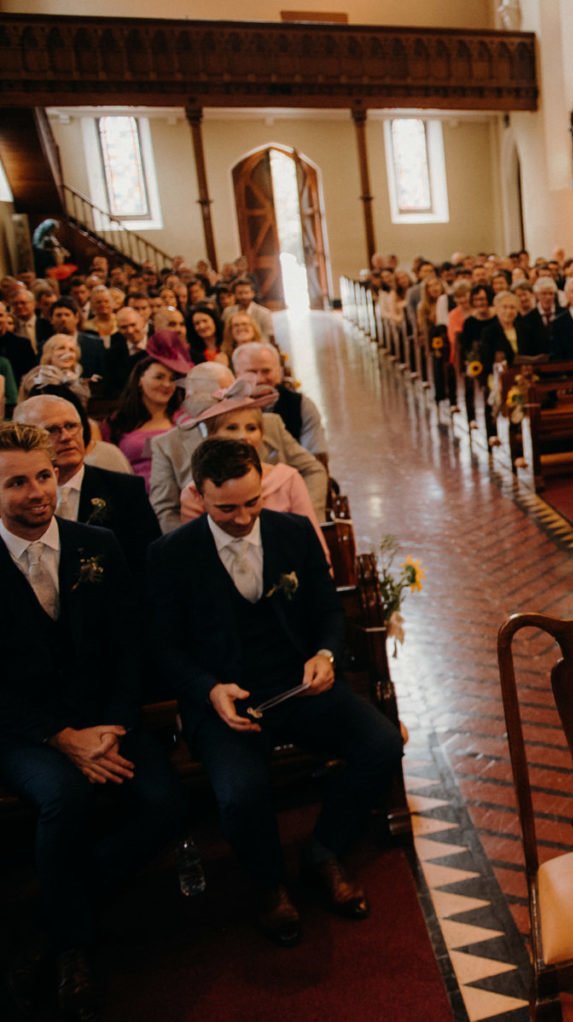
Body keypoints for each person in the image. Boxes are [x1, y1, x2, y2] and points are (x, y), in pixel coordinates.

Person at [147, 439, 403, 948]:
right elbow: (164, 648)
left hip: (296, 685)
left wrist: (325, 656)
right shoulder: (170, 555)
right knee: (241, 794)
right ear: (198, 495)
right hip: (227, 704)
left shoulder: (292, 532)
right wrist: (209, 689)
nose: (243, 518)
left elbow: (328, 610)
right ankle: (268, 886)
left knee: (382, 743)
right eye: (227, 508)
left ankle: (323, 851)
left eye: (253, 502)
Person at [0, 421, 184, 1019]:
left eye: (44, 476)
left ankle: (55, 914)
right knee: (62, 801)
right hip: (25, 732)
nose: (36, 492)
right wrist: (59, 738)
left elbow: (130, 646)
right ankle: (74, 947)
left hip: (105, 722)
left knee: (164, 801)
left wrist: (112, 725)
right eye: (16, 483)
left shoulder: (95, 545)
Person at [148, 362, 326, 534]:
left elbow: (313, 470)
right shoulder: (166, 445)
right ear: (189, 398)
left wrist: (305, 518)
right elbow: (165, 509)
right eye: (212, 398)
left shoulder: (269, 423)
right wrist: (194, 543)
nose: (225, 402)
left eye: (231, 393)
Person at [174, 379, 328, 559]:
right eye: (231, 428)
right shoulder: (196, 493)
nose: (243, 437)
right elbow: (196, 557)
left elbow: (316, 552)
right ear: (212, 436)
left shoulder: (288, 479)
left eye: (251, 428)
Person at [13, 395, 161, 581]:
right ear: (25, 440)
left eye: (71, 426)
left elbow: (148, 566)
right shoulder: (13, 499)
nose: (66, 437)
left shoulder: (125, 490)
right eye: (51, 430)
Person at [102, 337, 192, 491]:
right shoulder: (117, 421)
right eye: (159, 377)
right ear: (140, 380)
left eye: (172, 379)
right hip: (132, 495)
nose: (167, 385)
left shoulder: (184, 418)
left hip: (178, 493)